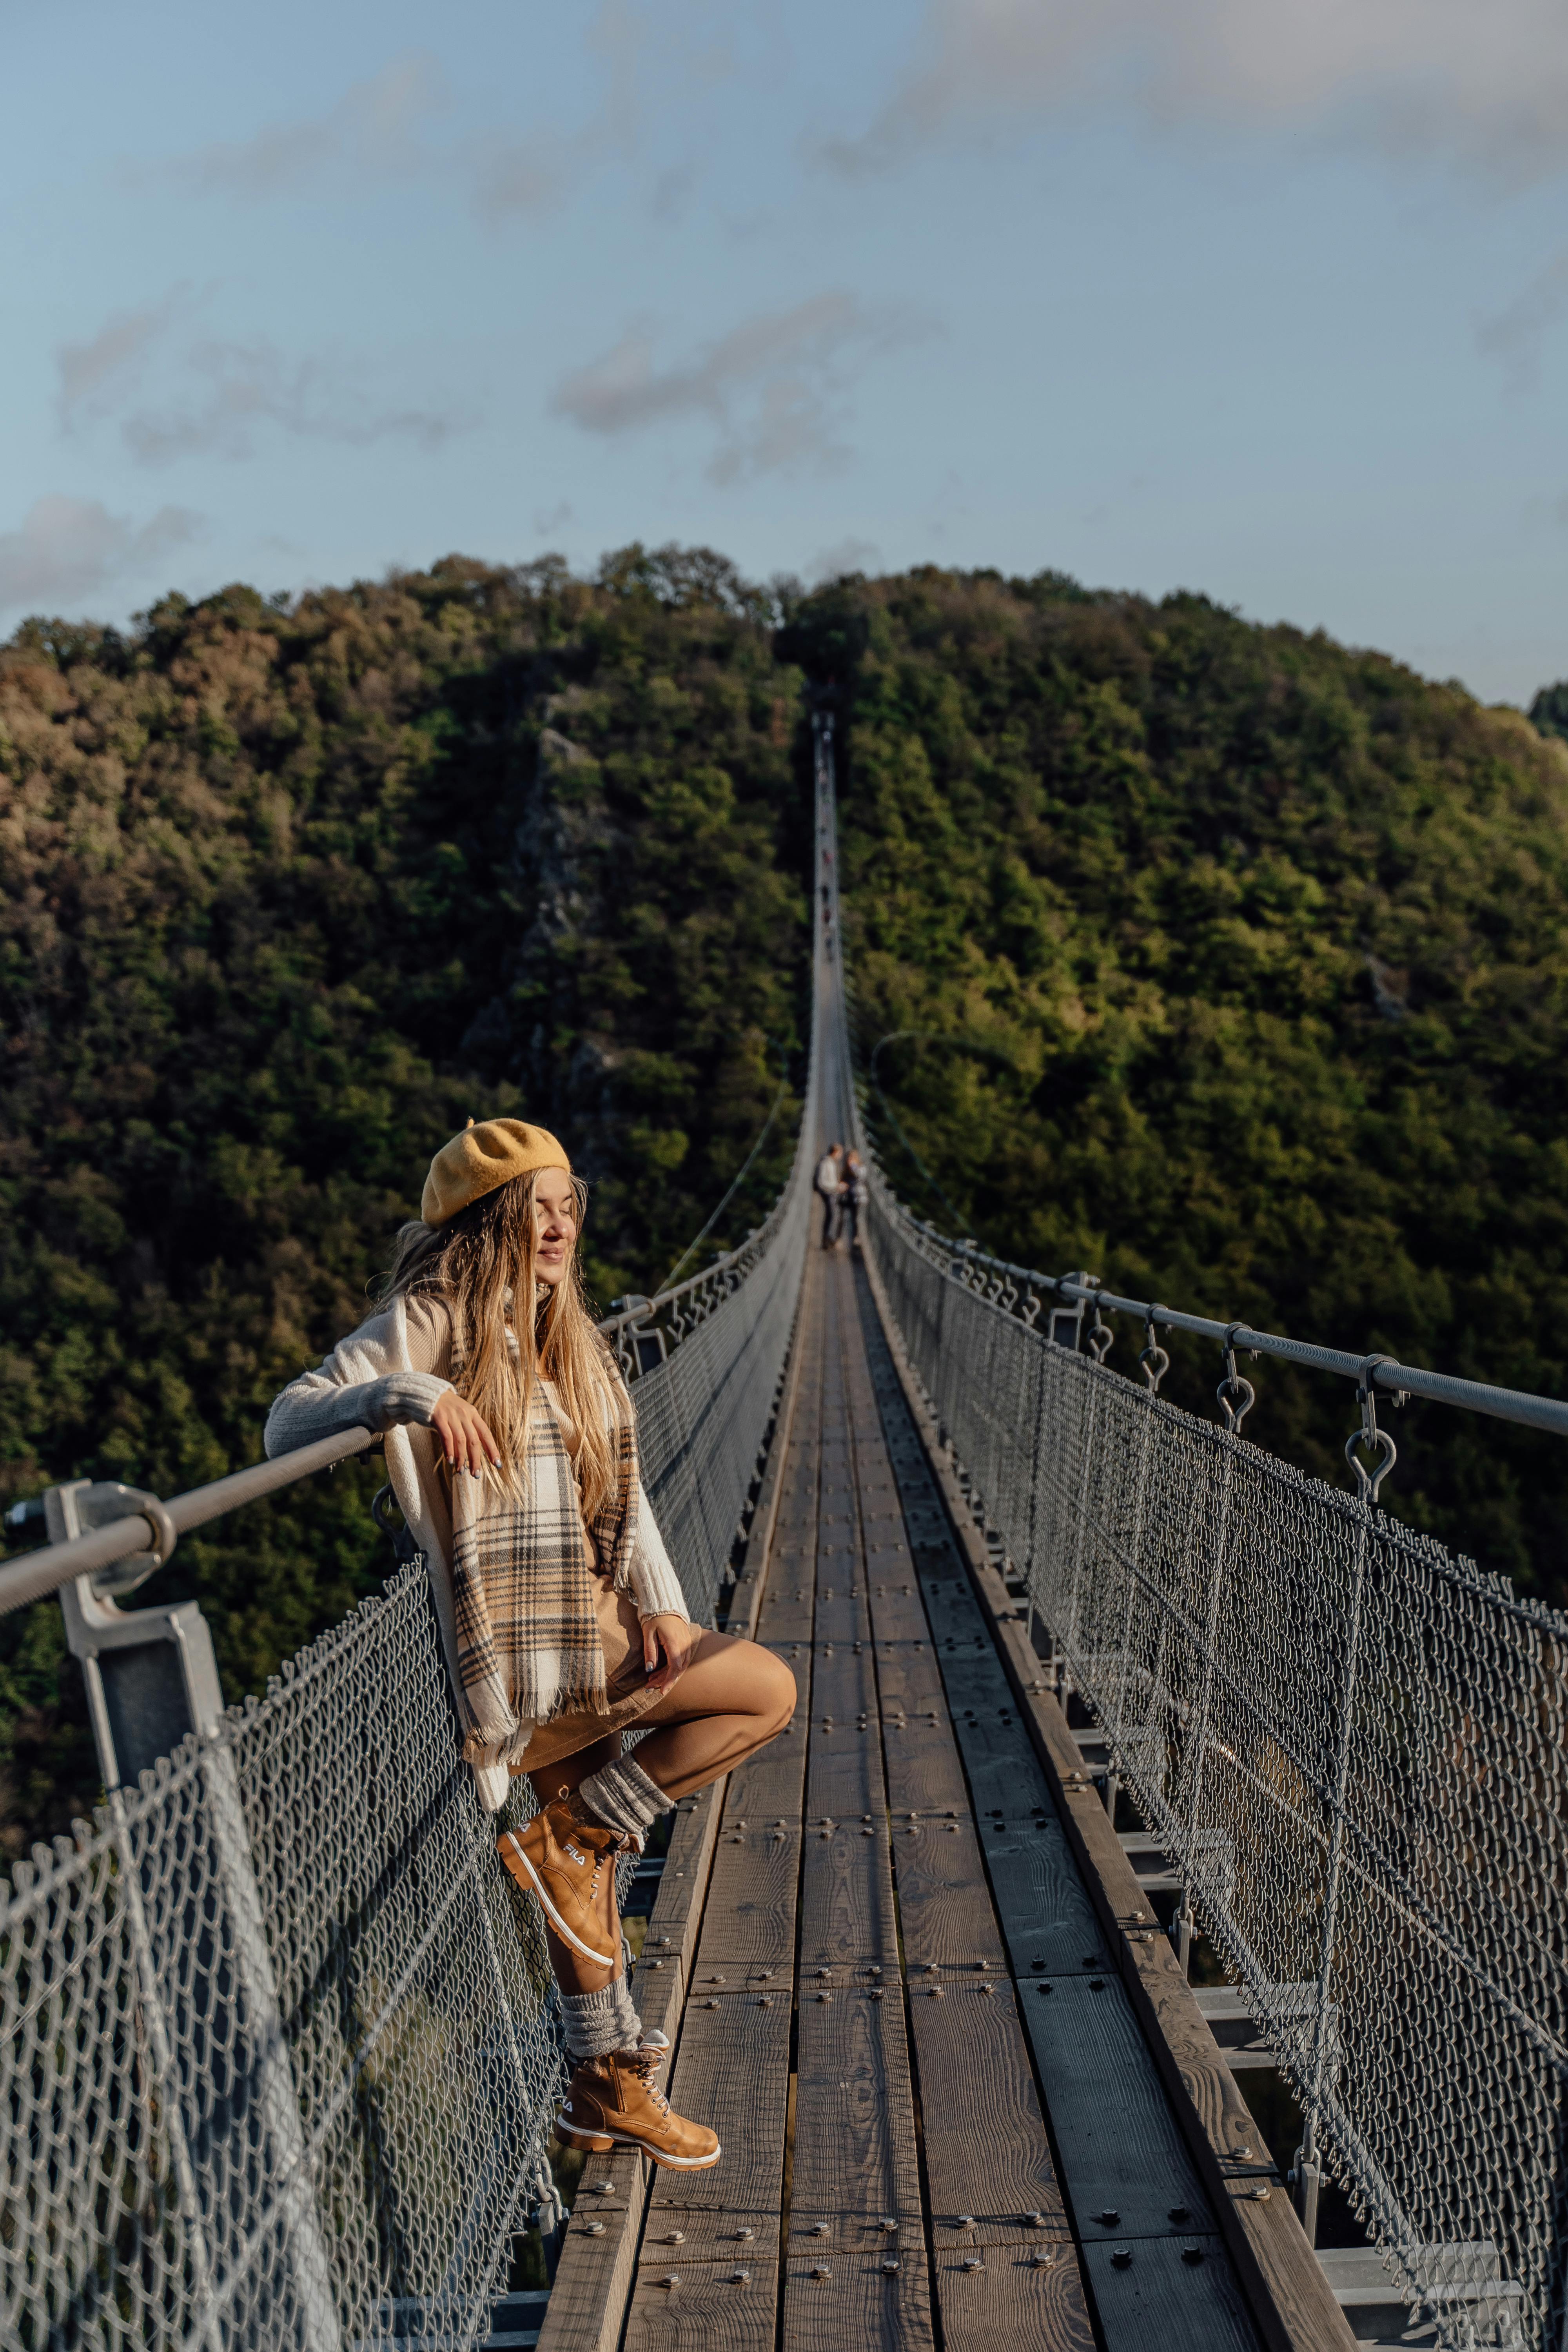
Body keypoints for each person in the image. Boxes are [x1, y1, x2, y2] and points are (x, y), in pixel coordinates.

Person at [265, 1118, 796, 2170]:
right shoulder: (430, 1320)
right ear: (490, 1224)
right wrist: (416, 1394)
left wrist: (669, 1607)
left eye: (569, 1206)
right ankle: (573, 1845)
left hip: (595, 1622)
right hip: (524, 1646)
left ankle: (604, 2096)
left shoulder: (568, 1330)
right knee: (765, 1692)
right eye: (536, 1210)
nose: (559, 1227)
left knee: (581, 1887)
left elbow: (623, 1495)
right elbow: (290, 1421)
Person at [814, 1141, 844, 1248]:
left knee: (833, 1215)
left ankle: (829, 1239)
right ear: (835, 1152)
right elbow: (821, 1182)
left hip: (832, 1193)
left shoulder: (831, 1162)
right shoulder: (826, 1163)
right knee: (832, 1215)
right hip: (828, 1193)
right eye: (840, 1153)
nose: (841, 1156)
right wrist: (836, 1186)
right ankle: (827, 1239)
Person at [843, 1149, 869, 1251]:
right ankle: (850, 1239)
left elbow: (860, 1176)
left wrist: (853, 1166)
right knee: (850, 1218)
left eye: (852, 1158)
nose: (850, 1161)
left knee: (857, 1219)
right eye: (849, 1159)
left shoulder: (861, 1168)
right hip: (849, 1197)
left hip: (860, 1198)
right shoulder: (847, 1169)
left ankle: (857, 1239)